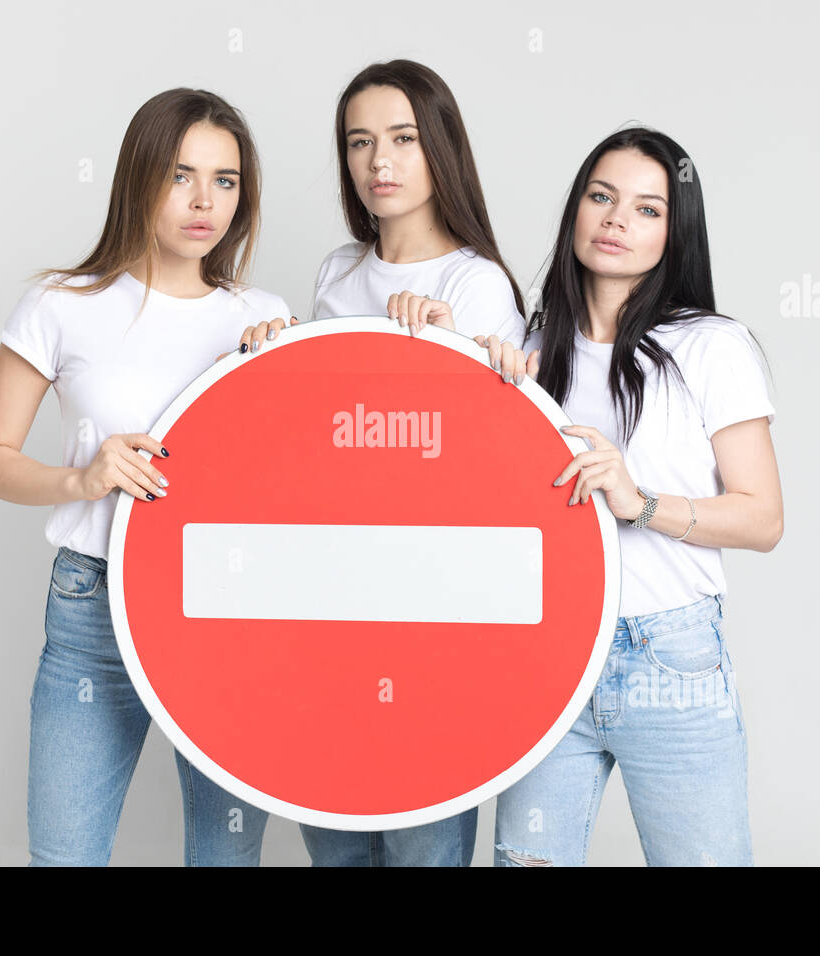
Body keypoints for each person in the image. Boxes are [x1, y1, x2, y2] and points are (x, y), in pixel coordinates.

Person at [0, 88, 290, 866]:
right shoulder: (61, 305)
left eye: (226, 180)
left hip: (227, 610)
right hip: (93, 610)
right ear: (138, 178)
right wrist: (82, 479)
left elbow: (296, 493)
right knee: (65, 858)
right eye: (180, 175)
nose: (204, 200)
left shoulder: (264, 319)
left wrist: (260, 382)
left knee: (226, 860)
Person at [236, 59, 526, 866]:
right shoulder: (337, 272)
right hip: (329, 602)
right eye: (360, 143)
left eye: (402, 139)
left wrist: (442, 353)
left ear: (440, 150)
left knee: (421, 832)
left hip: (426, 612)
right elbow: (312, 449)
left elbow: (487, 467)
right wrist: (269, 358)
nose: (379, 163)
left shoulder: (476, 284)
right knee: (332, 828)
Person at [475, 126, 784, 866]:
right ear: (576, 208)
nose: (616, 219)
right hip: (546, 655)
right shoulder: (531, 346)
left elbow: (763, 517)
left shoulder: (712, 345)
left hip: (668, 656)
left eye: (647, 209)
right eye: (601, 197)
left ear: (676, 235)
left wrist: (640, 501)